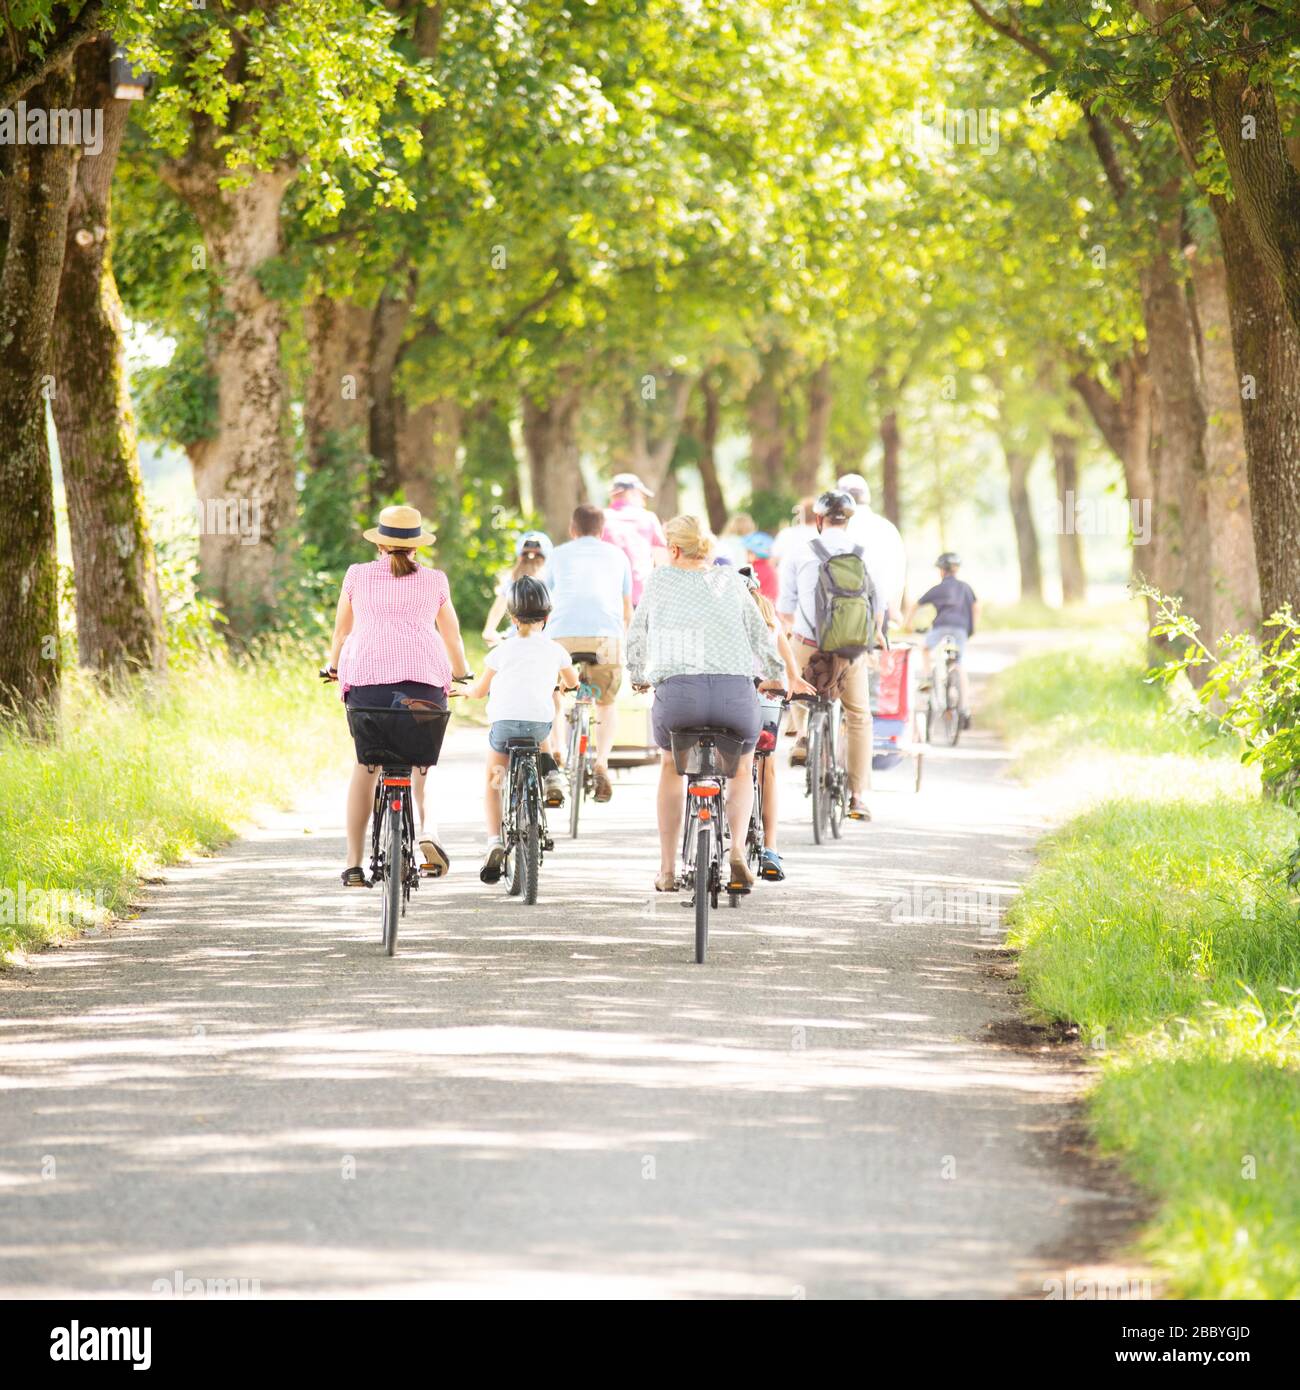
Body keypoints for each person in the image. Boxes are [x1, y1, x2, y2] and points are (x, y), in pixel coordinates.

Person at [627, 515, 786, 894]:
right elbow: (762, 634)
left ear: (674, 549)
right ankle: (735, 852)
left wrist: (637, 675)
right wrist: (775, 674)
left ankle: (667, 870)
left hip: (679, 698)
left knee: (670, 765)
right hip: (735, 697)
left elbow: (637, 634)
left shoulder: (659, 580)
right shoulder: (732, 580)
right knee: (743, 767)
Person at [325, 504, 470, 886]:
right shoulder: (435, 580)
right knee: (423, 765)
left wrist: (334, 667)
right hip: (423, 686)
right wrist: (462, 674)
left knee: (366, 768)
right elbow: (452, 635)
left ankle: (354, 862)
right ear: (416, 547)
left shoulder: (357, 575)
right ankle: (429, 831)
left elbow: (341, 633)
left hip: (367, 686)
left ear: (380, 544)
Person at [459, 577, 578, 884]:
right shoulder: (556, 649)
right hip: (537, 727)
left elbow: (480, 689)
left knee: (493, 781)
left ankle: (494, 841)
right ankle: (551, 774)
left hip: (504, 728)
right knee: (543, 728)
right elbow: (573, 681)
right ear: (547, 617)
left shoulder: (501, 650)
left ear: (512, 618)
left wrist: (466, 691)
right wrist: (565, 686)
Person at [776, 489, 880, 822]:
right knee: (859, 715)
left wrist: (801, 632)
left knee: (792, 681)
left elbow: (785, 610)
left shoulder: (800, 552)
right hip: (849, 649)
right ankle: (857, 797)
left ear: (818, 520)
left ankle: (803, 733)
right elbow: (876, 607)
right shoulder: (863, 553)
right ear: (847, 520)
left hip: (809, 644)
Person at [543, 503, 633, 803]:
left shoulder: (557, 554)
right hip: (606, 637)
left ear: (573, 529)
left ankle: (556, 755)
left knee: (552, 693)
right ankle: (602, 763)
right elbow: (626, 608)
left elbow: (543, 599)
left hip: (562, 637)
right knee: (606, 704)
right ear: (602, 530)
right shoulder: (618, 556)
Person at [738, 565, 816, 881]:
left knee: (734, 768)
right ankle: (771, 848)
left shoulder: (725, 621)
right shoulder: (769, 619)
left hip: (733, 703)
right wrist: (793, 681)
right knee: (766, 769)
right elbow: (788, 661)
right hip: (766, 704)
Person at [909, 552, 979, 724]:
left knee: (925, 648)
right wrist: (972, 628)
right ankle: (964, 708)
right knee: (959, 664)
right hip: (961, 629)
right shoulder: (965, 587)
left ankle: (926, 679)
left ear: (941, 571)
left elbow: (916, 605)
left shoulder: (938, 588)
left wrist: (908, 623)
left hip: (940, 627)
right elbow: (976, 606)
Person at [837, 472, 908, 625]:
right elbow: (898, 569)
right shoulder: (887, 528)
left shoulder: (840, 527)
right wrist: (894, 609)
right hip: (881, 611)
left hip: (842, 611)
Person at [602, 474, 667, 605]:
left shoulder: (600, 518)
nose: (644, 502)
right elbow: (663, 560)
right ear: (632, 493)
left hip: (608, 596)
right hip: (642, 595)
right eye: (643, 496)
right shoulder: (648, 518)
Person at [482, 531, 552, 646]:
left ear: (520, 557)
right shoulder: (549, 582)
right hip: (546, 641)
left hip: (515, 638)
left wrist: (488, 632)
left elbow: (497, 610)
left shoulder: (512, 581)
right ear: (544, 559)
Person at [742, 531, 779, 600]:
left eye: (748, 552)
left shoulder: (753, 570)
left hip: (760, 607)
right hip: (770, 608)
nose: (745, 556)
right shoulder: (770, 568)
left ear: (753, 554)